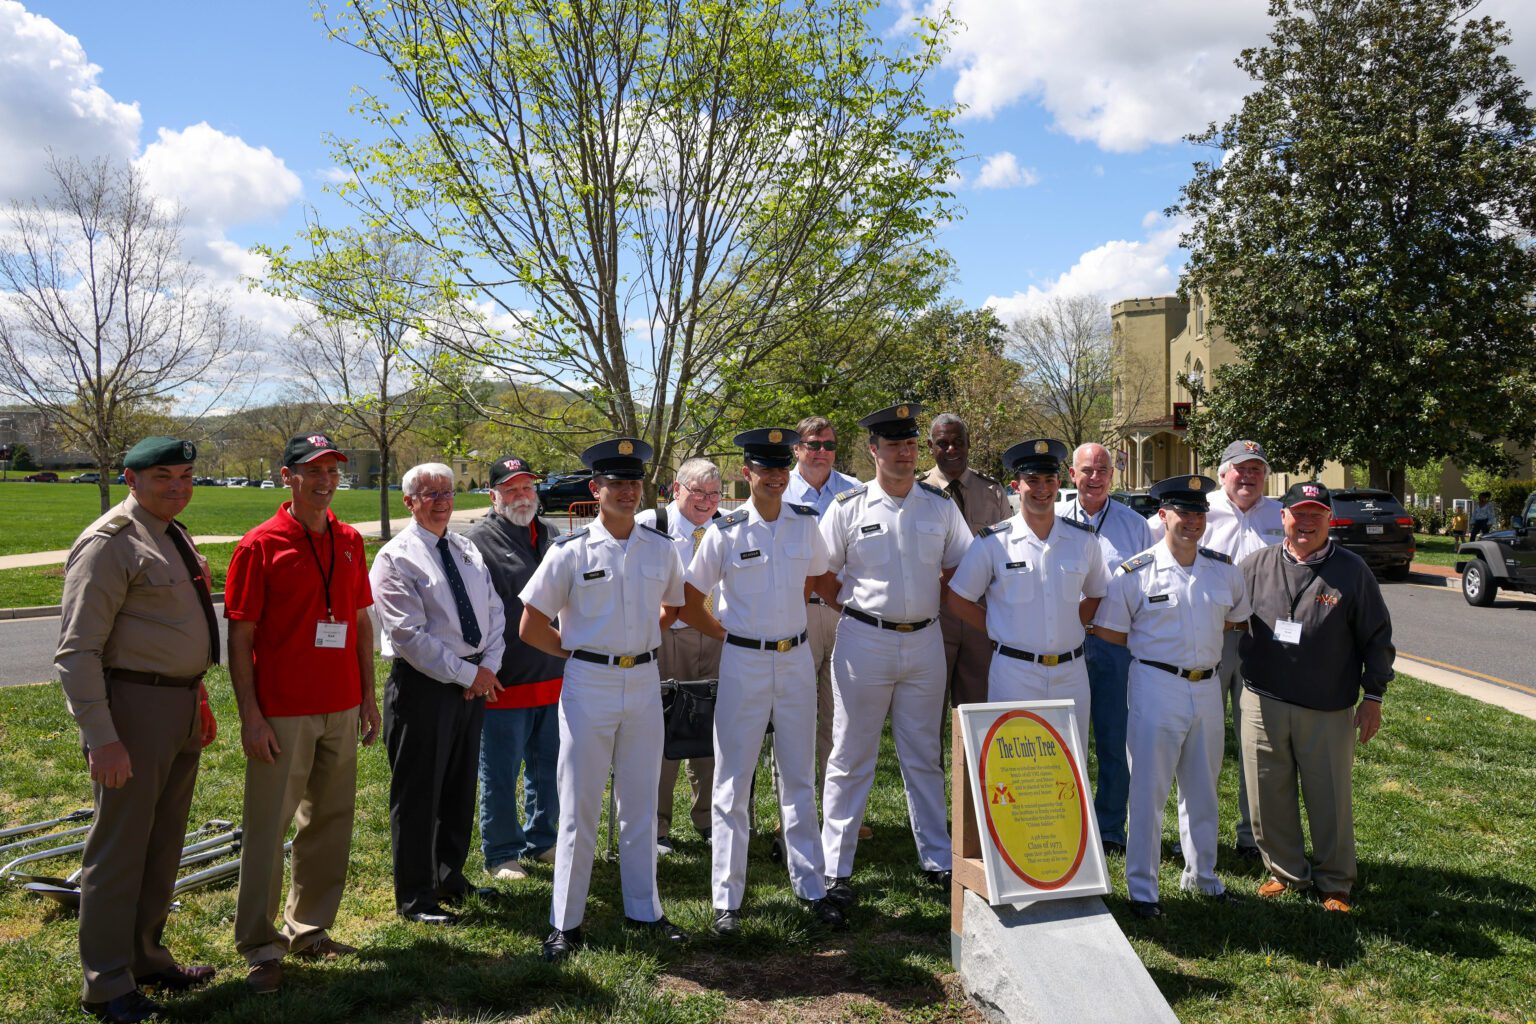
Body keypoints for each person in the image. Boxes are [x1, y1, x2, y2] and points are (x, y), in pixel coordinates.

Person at [56, 437, 220, 1023]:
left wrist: (195, 693)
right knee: (120, 849)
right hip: (131, 709)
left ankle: (145, 957)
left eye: (186, 475)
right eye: (163, 476)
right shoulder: (111, 542)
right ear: (131, 479)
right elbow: (76, 652)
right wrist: (103, 737)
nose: (178, 486)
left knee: (162, 842)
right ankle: (106, 984)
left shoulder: (170, 532)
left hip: (177, 704)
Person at [519, 438, 689, 961]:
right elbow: (530, 624)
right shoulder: (569, 552)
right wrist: (578, 652)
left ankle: (645, 911)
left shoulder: (660, 548)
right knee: (579, 806)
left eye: (634, 483)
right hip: (588, 684)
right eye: (616, 483)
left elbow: (673, 606)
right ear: (596, 489)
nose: (627, 492)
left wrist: (640, 641)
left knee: (640, 804)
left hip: (644, 681)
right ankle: (565, 922)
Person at [226, 432, 378, 994]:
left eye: (332, 471)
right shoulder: (259, 545)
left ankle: (310, 929)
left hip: (341, 704)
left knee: (330, 822)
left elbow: (359, 620)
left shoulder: (349, 540)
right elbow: (240, 637)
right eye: (313, 471)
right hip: (283, 712)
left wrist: (367, 695)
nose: (325, 481)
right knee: (268, 830)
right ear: (287, 476)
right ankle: (260, 946)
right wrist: (251, 716)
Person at [680, 428, 846, 933]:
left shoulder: (804, 523)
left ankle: (811, 886)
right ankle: (726, 901)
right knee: (733, 780)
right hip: (744, 662)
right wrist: (726, 634)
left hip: (795, 659)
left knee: (798, 776)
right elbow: (690, 598)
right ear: (746, 473)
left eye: (780, 468)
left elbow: (815, 579)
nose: (774, 477)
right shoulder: (726, 531)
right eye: (764, 468)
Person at [815, 402, 972, 903]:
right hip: (864, 640)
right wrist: (858, 610)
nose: (904, 453)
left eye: (909, 444)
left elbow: (961, 569)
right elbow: (821, 576)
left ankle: (937, 859)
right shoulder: (848, 507)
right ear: (873, 450)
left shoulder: (940, 506)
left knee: (924, 754)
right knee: (850, 753)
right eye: (893, 445)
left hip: (925, 640)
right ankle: (835, 868)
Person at [1093, 475, 1250, 919]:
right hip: (1156, 686)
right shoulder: (1135, 572)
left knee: (1203, 788)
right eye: (1183, 512)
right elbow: (1110, 631)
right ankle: (1143, 889)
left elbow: (1235, 619)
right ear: (1162, 515)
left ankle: (1203, 876)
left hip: (1207, 687)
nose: (1193, 521)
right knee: (1148, 791)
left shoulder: (1224, 570)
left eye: (1199, 513)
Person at [1238, 481, 1393, 913]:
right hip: (1262, 700)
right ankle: (1285, 871)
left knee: (1330, 798)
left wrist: (1374, 696)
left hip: (1327, 706)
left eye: (1316, 513)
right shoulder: (1255, 565)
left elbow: (1377, 637)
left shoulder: (1352, 570)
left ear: (1329, 519)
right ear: (1282, 517)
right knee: (1267, 792)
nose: (1306, 522)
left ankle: (1335, 882)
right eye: (1298, 513)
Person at [370, 463, 506, 925]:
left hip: (472, 683)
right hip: (424, 687)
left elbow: (493, 611)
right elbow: (409, 637)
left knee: (458, 787)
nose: (442, 501)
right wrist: (470, 676)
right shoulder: (396, 557)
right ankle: (416, 897)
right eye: (430, 494)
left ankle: (449, 876)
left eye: (447, 492)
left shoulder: (465, 548)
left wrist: (487, 669)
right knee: (419, 794)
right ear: (409, 502)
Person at [1149, 438, 1282, 860]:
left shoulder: (1279, 514)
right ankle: (1187, 837)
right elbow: (1150, 553)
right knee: (1193, 740)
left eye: (1257, 469)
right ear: (1223, 473)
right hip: (1207, 639)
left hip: (1263, 641)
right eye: (1241, 469)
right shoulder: (1196, 510)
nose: (1249, 477)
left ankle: (1251, 836)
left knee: (1257, 740)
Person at [949, 438, 1108, 725]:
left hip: (1070, 673)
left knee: (1070, 752)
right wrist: (996, 625)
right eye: (1032, 480)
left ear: (1059, 484)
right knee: (1015, 751)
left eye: (1049, 480)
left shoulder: (1083, 540)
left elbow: (1097, 593)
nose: (1042, 489)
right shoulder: (993, 542)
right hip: (1015, 673)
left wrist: (1071, 622)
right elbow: (958, 599)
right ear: (1016, 486)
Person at [464, 455, 565, 881]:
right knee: (500, 773)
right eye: (510, 490)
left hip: (554, 675)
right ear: (494, 496)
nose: (521, 496)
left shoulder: (553, 536)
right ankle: (502, 851)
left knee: (549, 769)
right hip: (504, 681)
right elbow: (470, 613)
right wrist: (478, 668)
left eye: (527, 488)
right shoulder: (476, 543)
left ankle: (542, 839)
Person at [1057, 442, 1154, 857]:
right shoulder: (1053, 521)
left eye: (1102, 470)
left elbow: (1149, 588)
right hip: (1063, 647)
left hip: (1116, 648)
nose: (1094, 477)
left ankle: (1110, 827)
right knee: (1064, 739)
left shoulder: (1136, 527)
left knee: (1115, 740)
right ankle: (1066, 822)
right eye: (1086, 470)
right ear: (1072, 475)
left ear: (1112, 475)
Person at [636, 458, 723, 854]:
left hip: (717, 637)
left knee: (713, 730)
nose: (706, 501)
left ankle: (709, 818)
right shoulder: (650, 525)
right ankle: (656, 825)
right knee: (662, 731)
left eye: (714, 494)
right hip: (666, 637)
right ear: (676, 489)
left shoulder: (726, 527)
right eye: (697, 492)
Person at [784, 415, 862, 791]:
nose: (821, 452)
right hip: (795, 612)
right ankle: (793, 803)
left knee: (840, 715)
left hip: (843, 612)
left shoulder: (855, 491)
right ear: (796, 449)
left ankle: (835, 802)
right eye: (813, 445)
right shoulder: (778, 490)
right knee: (794, 712)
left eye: (828, 445)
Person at [922, 413, 1012, 713]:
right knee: (928, 708)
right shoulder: (916, 492)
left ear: (969, 443)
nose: (951, 449)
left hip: (980, 611)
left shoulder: (992, 491)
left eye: (958, 442)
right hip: (935, 613)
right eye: (942, 443)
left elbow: (1008, 553)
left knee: (978, 709)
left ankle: (971, 749)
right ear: (930, 446)